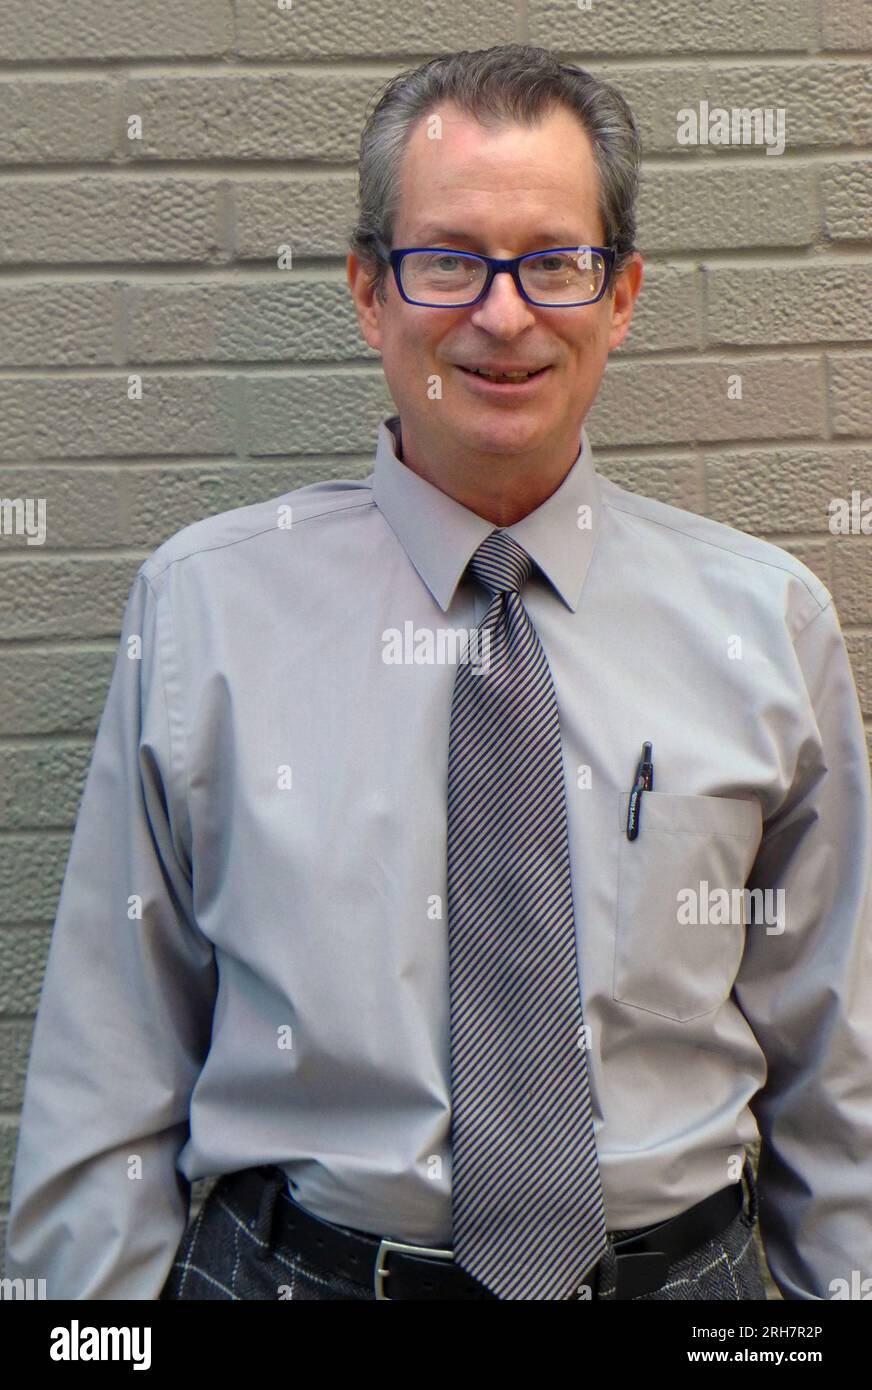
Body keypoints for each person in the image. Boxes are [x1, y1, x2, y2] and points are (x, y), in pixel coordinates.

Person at [5, 43, 872, 1303]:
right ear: (368, 293)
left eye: (554, 262)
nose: (503, 313)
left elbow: (832, 1063)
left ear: (621, 295)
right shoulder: (203, 613)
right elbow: (108, 1066)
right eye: (447, 259)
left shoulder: (766, 621)